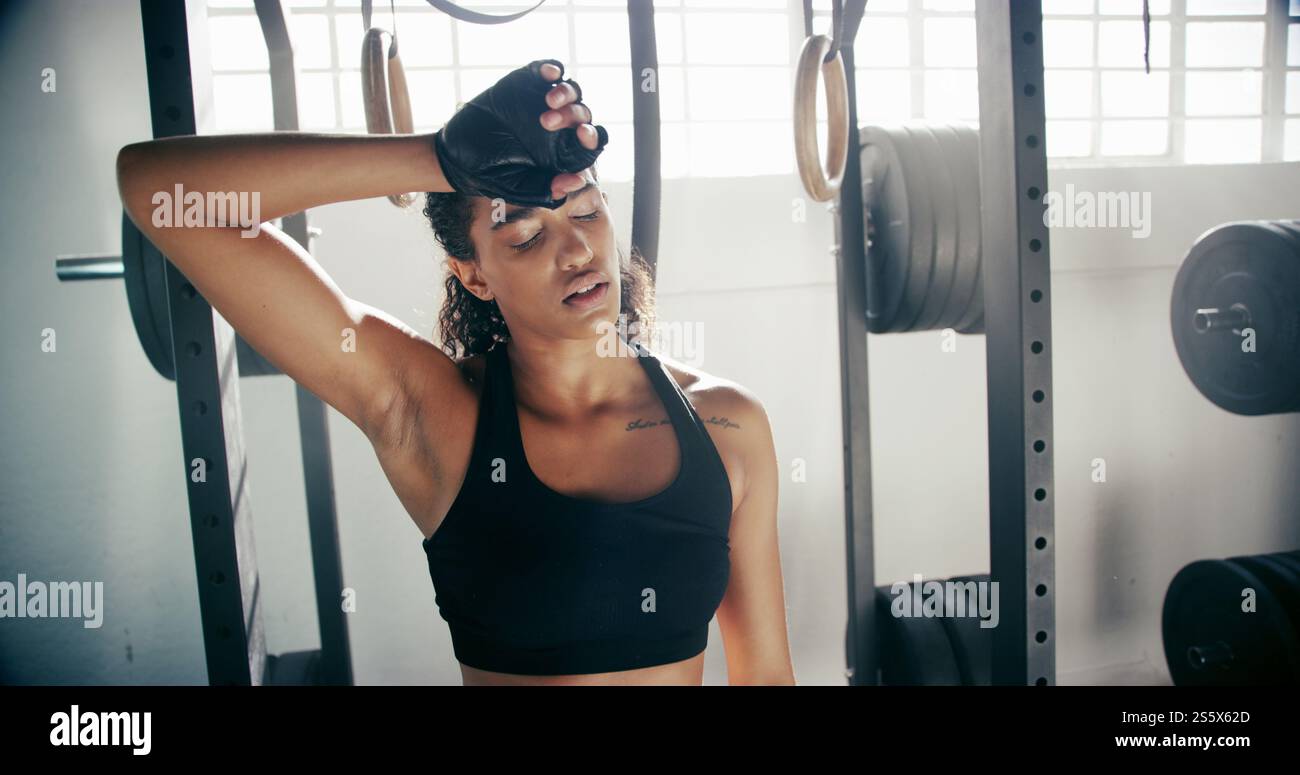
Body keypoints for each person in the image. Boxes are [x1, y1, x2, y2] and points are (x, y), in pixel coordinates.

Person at [116, 59, 794, 686]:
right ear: (473, 274)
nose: (578, 247)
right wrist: (432, 158)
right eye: (526, 235)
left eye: (587, 210)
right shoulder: (432, 411)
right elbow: (160, 192)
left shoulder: (728, 424)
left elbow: (766, 675)